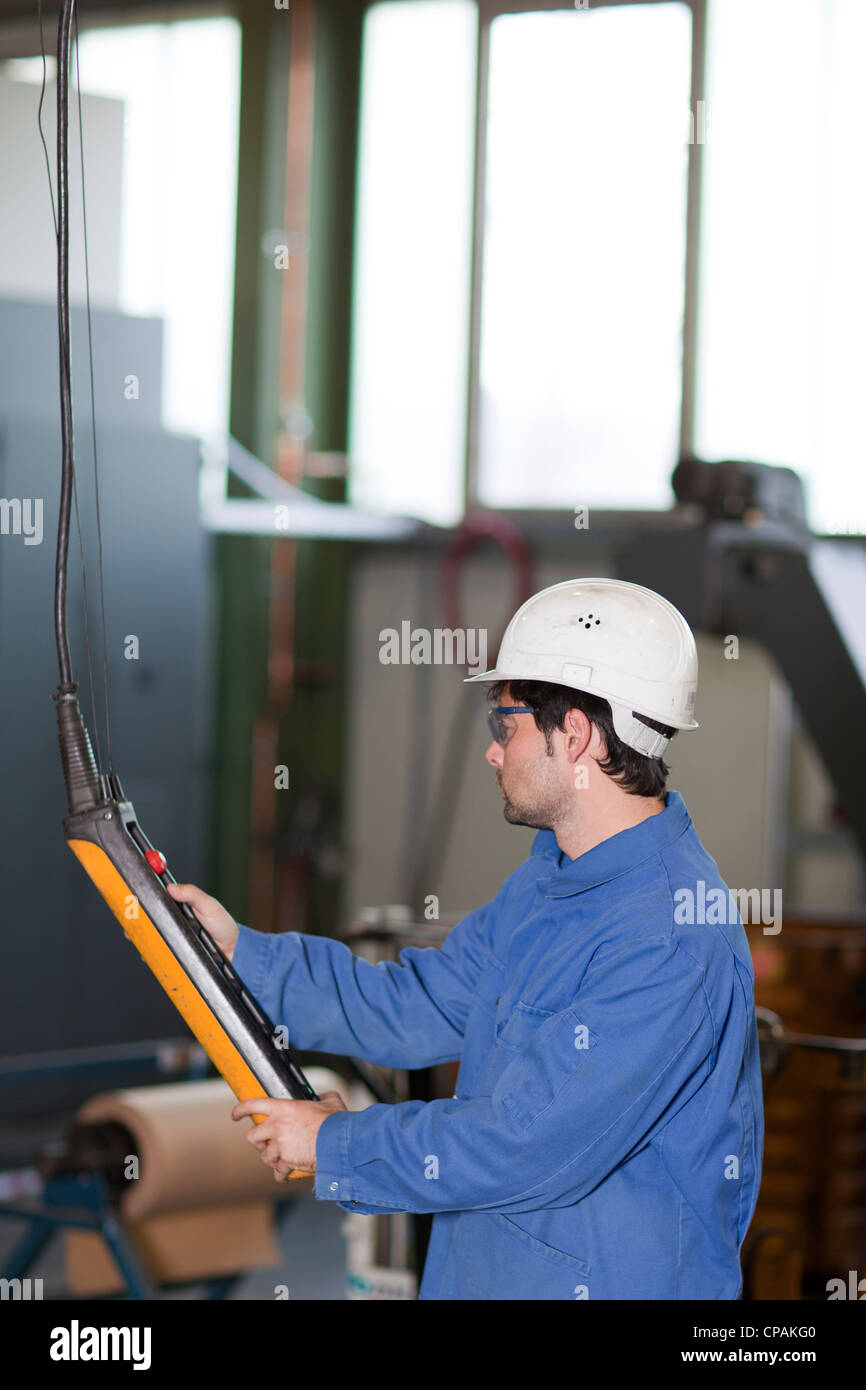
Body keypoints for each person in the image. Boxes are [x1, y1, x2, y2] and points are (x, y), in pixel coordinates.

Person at [168, 576, 764, 1300]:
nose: (492, 753)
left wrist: (336, 1143)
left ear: (573, 734)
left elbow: (528, 1143)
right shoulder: (552, 881)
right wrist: (242, 956)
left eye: (503, 726)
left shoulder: (668, 933)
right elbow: (419, 1004)